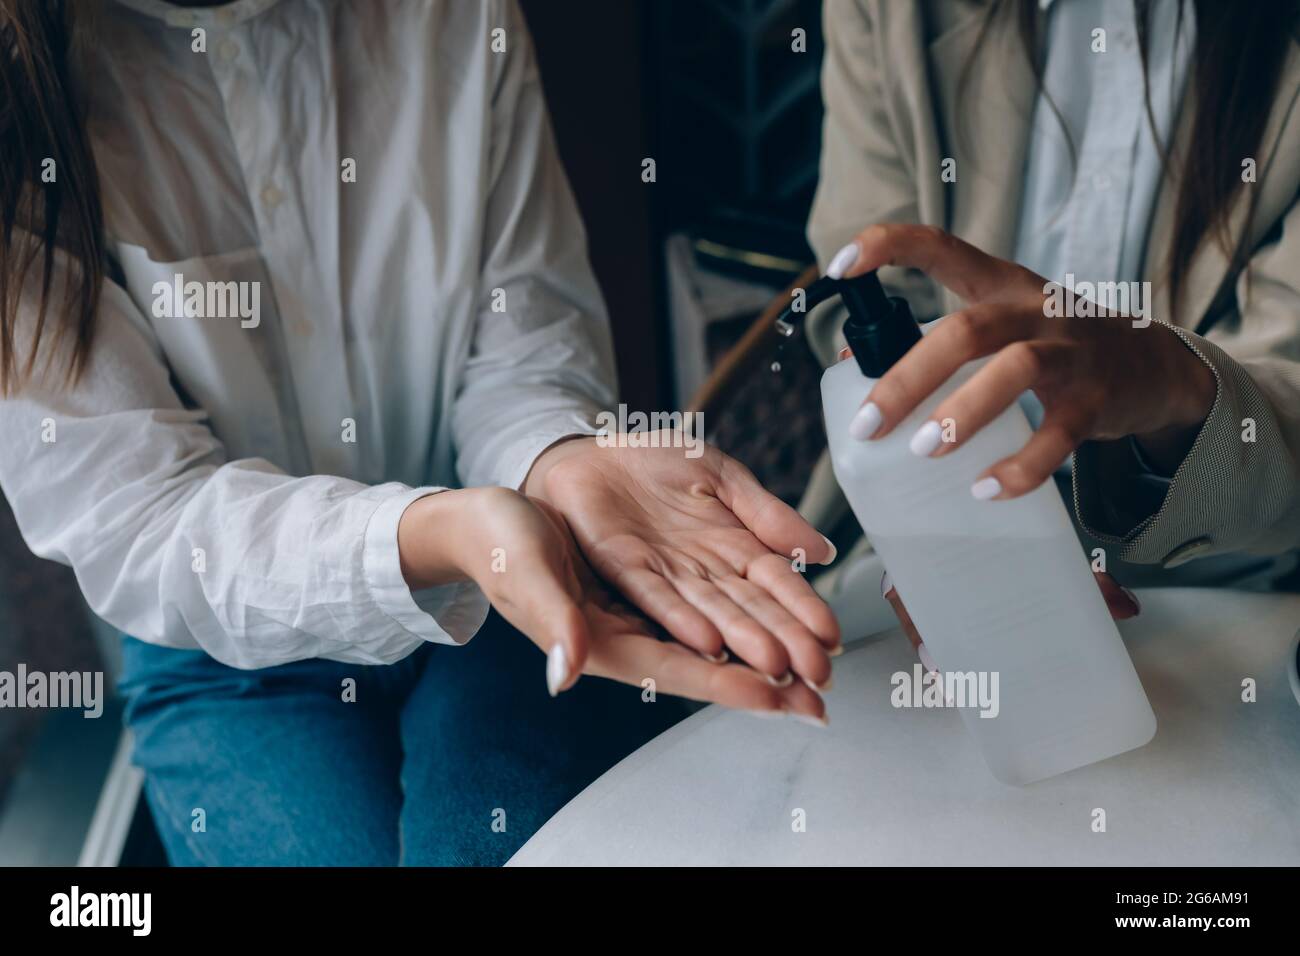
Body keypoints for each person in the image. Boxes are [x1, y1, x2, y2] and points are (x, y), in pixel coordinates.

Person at [0, 0, 839, 864]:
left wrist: (554, 461)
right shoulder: (24, 101)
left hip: (512, 589)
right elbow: (145, 516)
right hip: (223, 652)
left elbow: (521, 337)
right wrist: (432, 535)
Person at [801, 0, 1300, 652]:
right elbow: (867, 291)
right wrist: (931, 512)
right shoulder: (889, 12)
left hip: (1240, 566)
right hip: (927, 525)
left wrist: (1177, 389)